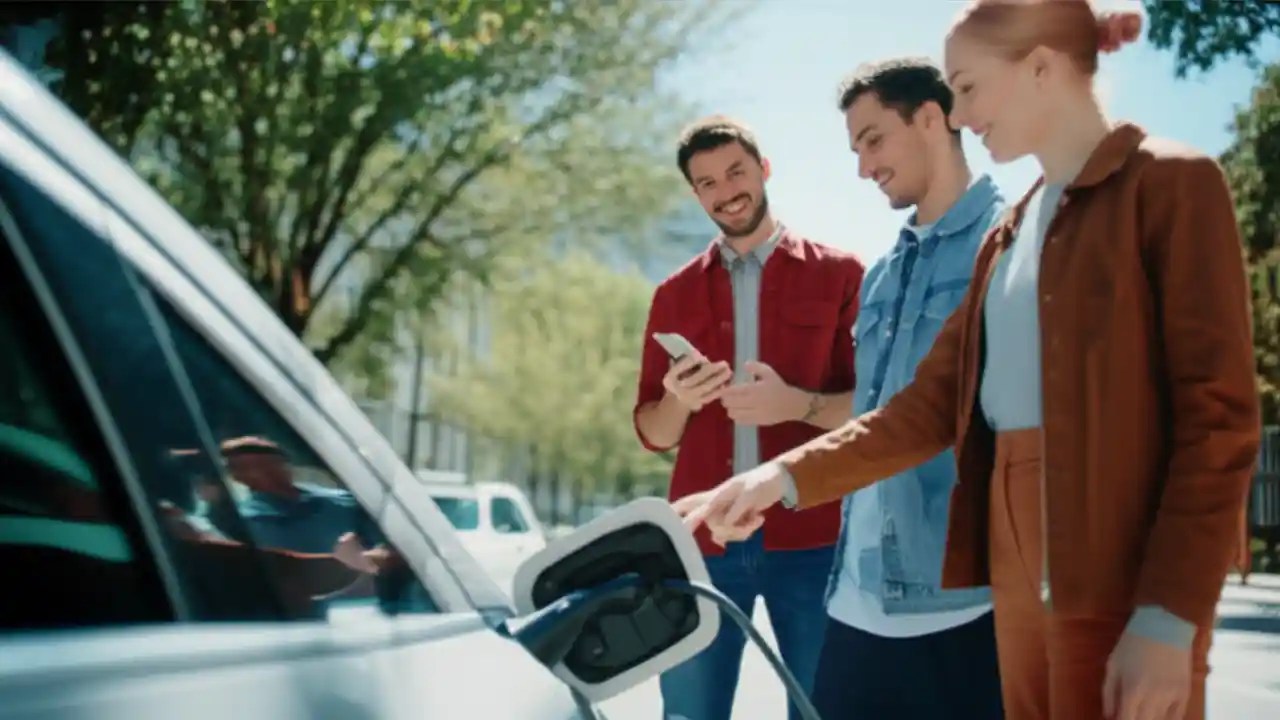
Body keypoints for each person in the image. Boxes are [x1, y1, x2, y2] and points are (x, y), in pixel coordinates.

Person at [675, 3, 1260, 720]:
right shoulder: (1009, 238)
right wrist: (774, 479)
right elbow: (920, 412)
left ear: (1040, 68)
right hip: (1012, 598)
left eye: (970, 89)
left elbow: (1216, 423)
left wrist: (1169, 618)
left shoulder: (1169, 183)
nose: (962, 113)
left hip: (1105, 588)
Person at [634, 115, 864, 720]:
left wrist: (797, 405)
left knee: (823, 710)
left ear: (764, 170)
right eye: (707, 182)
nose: (726, 190)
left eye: (736, 171)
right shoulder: (673, 295)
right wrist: (681, 400)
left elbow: (877, 412)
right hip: (702, 542)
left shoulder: (840, 275)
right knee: (689, 713)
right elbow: (654, 435)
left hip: (816, 538)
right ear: (695, 194)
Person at [809, 58, 1005, 720]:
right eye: (856, 148)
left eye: (873, 139)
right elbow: (870, 423)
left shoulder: (1008, 250)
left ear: (931, 118)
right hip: (854, 607)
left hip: (963, 611)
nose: (863, 167)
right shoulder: (880, 278)